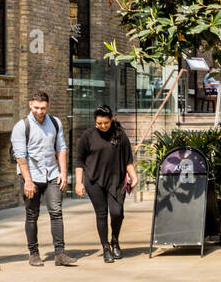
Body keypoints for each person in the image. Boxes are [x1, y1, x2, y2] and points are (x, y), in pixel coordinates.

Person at [12, 91, 75, 267]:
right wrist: (28, 182)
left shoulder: (55, 122)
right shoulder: (21, 126)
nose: (40, 111)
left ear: (47, 106)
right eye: (37, 107)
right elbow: (20, 156)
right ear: (30, 105)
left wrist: (63, 172)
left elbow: (61, 148)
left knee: (56, 212)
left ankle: (60, 254)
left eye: (43, 108)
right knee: (32, 214)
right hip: (30, 175)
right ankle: (33, 253)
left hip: (52, 174)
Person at [75, 105, 137, 263]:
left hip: (116, 181)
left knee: (117, 212)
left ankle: (115, 240)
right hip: (94, 181)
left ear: (111, 120)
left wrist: (134, 177)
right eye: (99, 123)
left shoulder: (119, 135)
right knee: (101, 214)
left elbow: (128, 160)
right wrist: (78, 183)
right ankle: (106, 247)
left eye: (105, 123)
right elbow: (79, 161)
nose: (102, 126)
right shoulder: (88, 136)